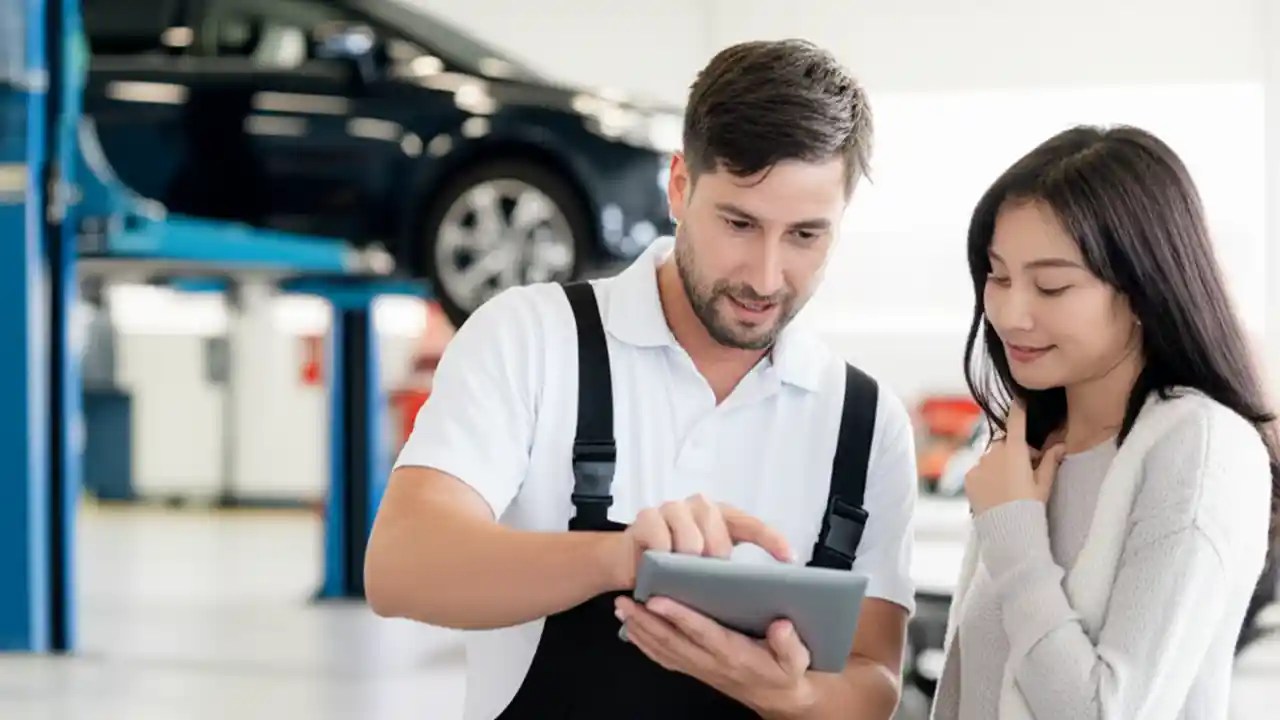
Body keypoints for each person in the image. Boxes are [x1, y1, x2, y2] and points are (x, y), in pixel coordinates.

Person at [364, 39, 919, 720]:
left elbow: (875, 682)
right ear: (679, 186)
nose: (766, 277)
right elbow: (400, 568)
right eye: (739, 224)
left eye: (805, 236)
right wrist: (618, 560)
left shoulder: (864, 423)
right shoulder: (533, 340)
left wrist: (791, 694)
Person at [930, 125, 1280, 720]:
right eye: (998, 275)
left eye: (1051, 285)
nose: (1011, 313)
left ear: (1143, 289)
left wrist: (1014, 538)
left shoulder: (1199, 448)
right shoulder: (1029, 446)